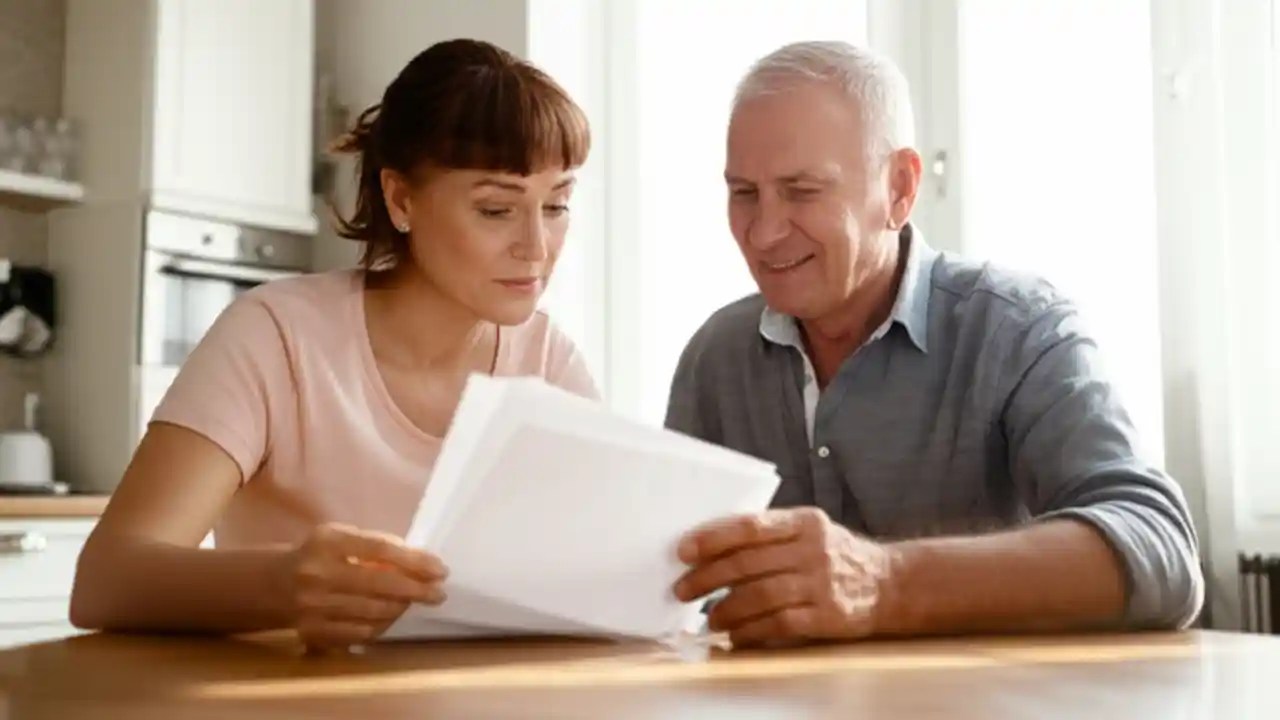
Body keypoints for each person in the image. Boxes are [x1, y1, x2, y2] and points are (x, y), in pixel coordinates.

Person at [667, 41, 1203, 648]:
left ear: (899, 189)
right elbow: (665, 584)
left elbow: (1160, 549)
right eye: (744, 193)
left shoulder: (1022, 331)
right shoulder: (715, 357)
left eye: (803, 191)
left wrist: (883, 582)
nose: (762, 232)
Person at [70, 39, 597, 650]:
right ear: (401, 199)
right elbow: (106, 581)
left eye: (557, 204)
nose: (537, 246)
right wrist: (283, 584)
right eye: (496, 209)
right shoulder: (277, 336)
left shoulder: (548, 362)